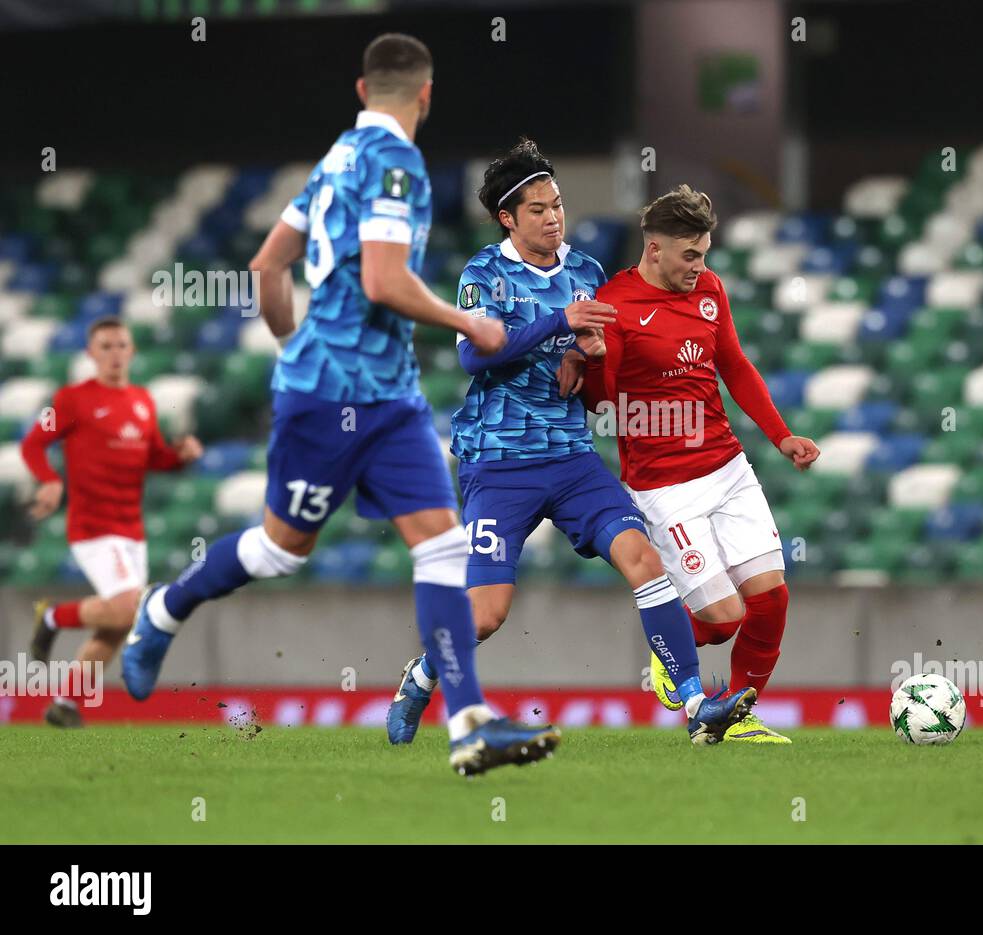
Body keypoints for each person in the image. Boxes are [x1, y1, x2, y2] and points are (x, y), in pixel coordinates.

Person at [120, 33, 555, 777]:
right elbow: (385, 281)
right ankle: (163, 609)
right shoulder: (395, 163)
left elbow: (267, 266)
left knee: (444, 545)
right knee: (278, 552)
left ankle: (470, 721)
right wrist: (470, 321)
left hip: (388, 399)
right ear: (425, 94)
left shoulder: (333, 162)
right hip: (332, 397)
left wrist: (293, 346)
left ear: (363, 91)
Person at [384, 141, 757, 748]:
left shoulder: (586, 272)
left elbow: (600, 366)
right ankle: (421, 675)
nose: (554, 217)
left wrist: (590, 361)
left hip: (572, 456)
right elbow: (473, 353)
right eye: (537, 209)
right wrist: (560, 326)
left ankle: (694, 704)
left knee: (643, 559)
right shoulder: (484, 274)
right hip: (499, 462)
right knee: (486, 613)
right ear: (509, 219)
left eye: (557, 204)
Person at [575, 185, 820, 744]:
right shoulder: (615, 305)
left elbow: (734, 364)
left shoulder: (709, 290)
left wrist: (781, 437)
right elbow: (598, 404)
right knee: (724, 618)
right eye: (690, 255)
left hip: (728, 467)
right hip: (663, 487)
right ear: (654, 249)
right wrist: (592, 362)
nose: (700, 266)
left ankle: (735, 719)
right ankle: (674, 652)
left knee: (772, 599)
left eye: (705, 253)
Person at [21, 316, 203, 727]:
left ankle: (65, 703)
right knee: (124, 611)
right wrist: (50, 480)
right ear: (91, 353)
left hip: (131, 531)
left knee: (118, 626)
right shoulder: (72, 399)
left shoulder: (142, 401)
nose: (114, 353)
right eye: (105, 346)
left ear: (132, 351)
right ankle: (52, 617)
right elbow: (34, 442)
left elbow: (153, 456)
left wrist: (180, 457)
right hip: (92, 527)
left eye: (121, 345)